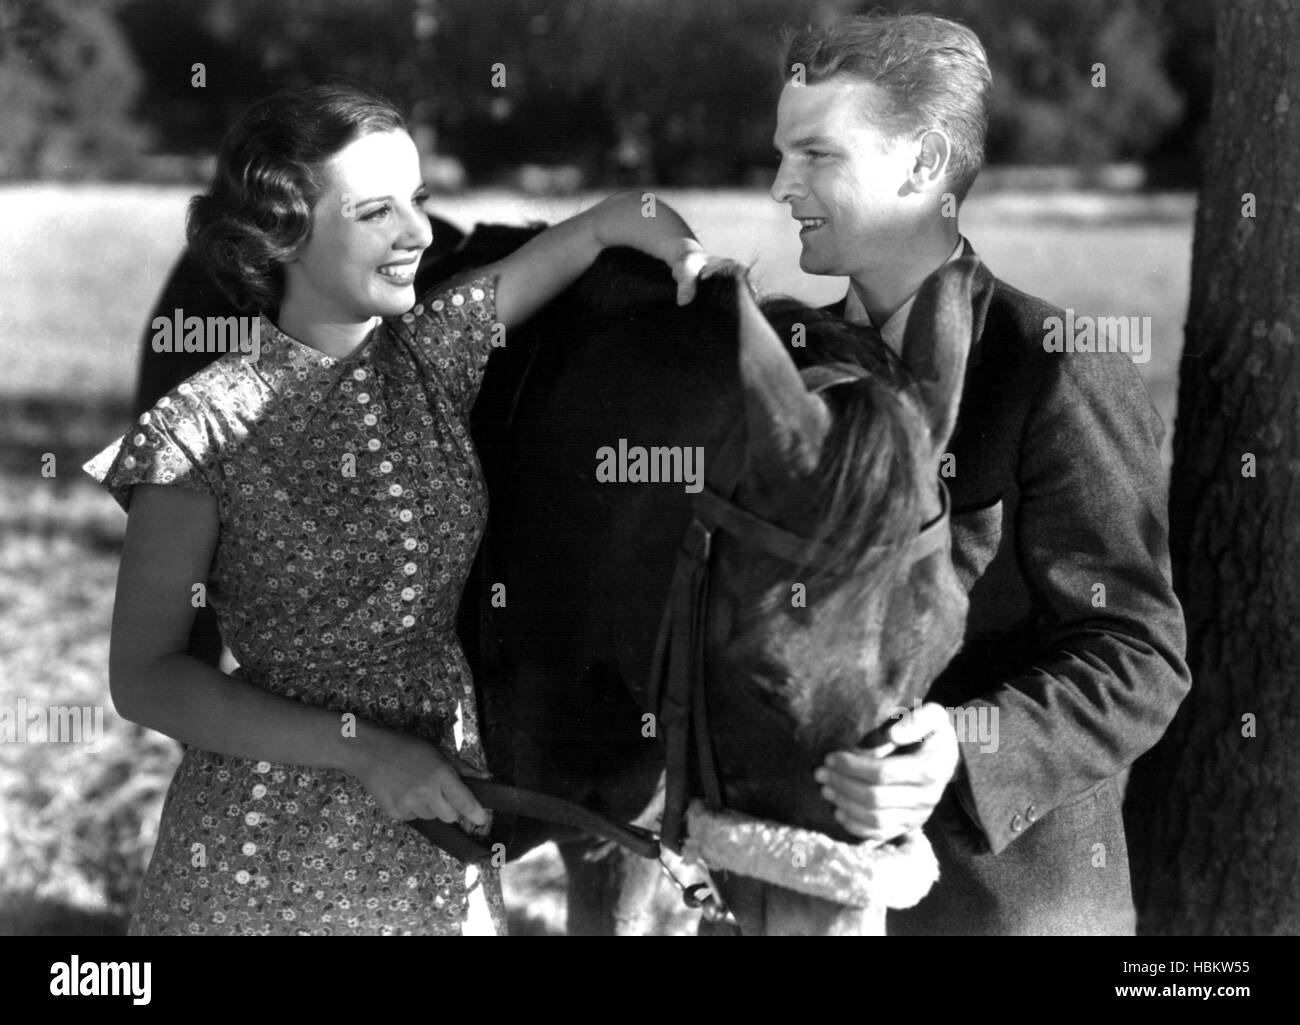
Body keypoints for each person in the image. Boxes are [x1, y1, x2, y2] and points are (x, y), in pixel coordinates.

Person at [83, 82, 707, 936]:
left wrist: (693, 263)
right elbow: (146, 677)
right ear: (286, 231)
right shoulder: (201, 432)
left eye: (418, 200)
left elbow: (605, 223)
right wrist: (366, 748)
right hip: (260, 865)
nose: (418, 234)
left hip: (439, 851)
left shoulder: (434, 356)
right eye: (376, 211)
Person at [770, 14, 1191, 933]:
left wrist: (960, 746)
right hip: (786, 895)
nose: (778, 187)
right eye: (780, 155)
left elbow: (1139, 657)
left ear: (922, 166)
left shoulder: (1057, 367)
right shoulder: (781, 364)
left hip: (1001, 909)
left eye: (815, 156)